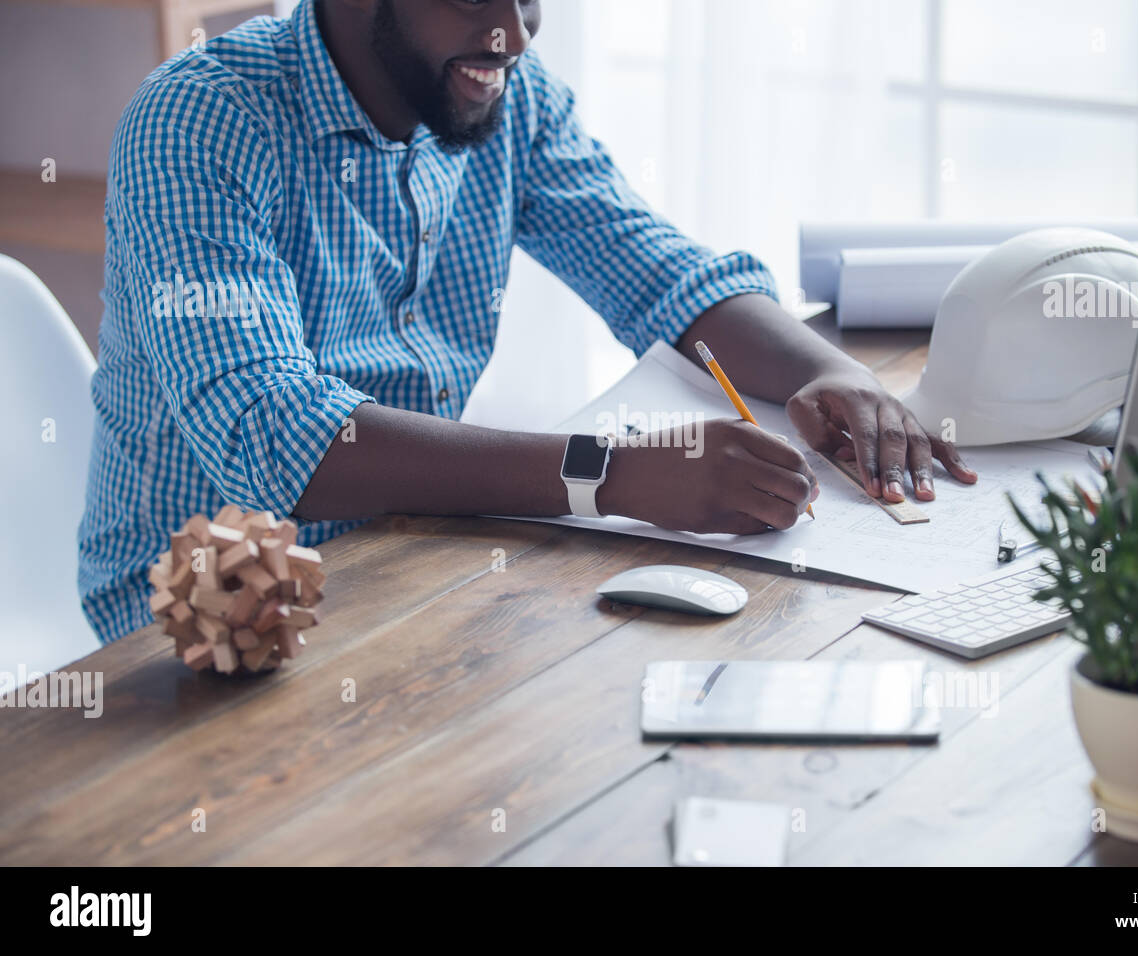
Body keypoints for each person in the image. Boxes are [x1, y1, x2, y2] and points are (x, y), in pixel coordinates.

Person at [78, 0, 977, 644]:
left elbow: (654, 268)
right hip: (199, 620)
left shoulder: (501, 87)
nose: (514, 29)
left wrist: (829, 374)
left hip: (410, 553)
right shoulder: (198, 121)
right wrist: (611, 474)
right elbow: (271, 435)